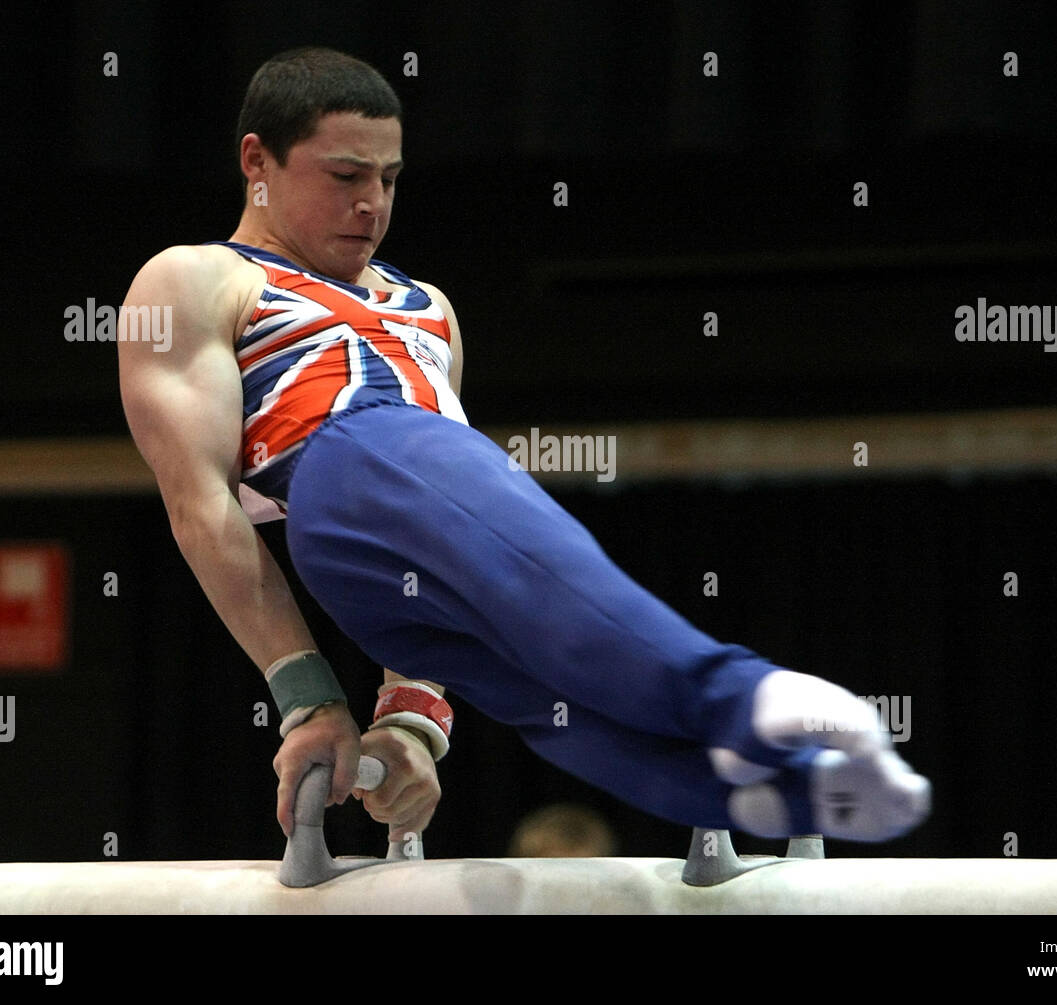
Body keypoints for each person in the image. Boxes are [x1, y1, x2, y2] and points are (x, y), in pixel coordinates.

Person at [117, 47, 931, 850]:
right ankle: (746, 695)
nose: (373, 204)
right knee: (538, 574)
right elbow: (201, 503)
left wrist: (412, 716)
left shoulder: (427, 305)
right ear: (256, 160)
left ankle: (782, 791)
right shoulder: (200, 279)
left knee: (553, 691)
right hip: (341, 472)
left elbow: (456, 523)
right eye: (346, 176)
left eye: (390, 179)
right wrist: (306, 694)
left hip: (401, 529)